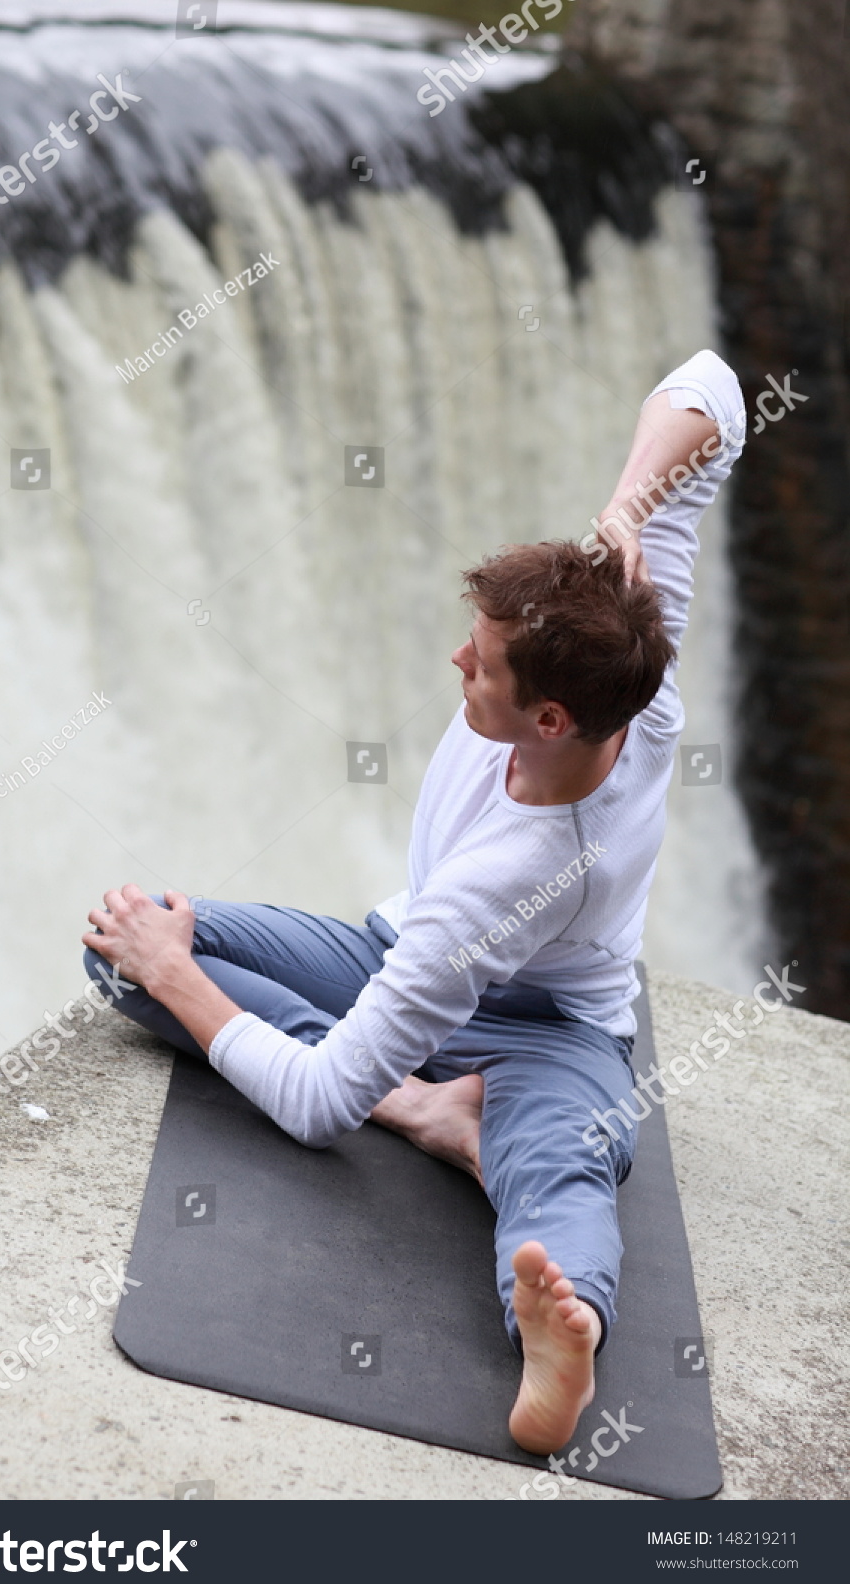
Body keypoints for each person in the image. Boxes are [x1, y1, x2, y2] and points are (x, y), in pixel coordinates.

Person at [83, 349, 745, 1455]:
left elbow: (315, 1104)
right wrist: (631, 506)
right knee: (125, 932)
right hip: (386, 946)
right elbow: (712, 388)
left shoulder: (510, 878)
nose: (454, 660)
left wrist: (179, 980)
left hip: (556, 1030)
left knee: (556, 1160)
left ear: (544, 720)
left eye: (477, 665)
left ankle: (560, 1327)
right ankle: (432, 1111)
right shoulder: (634, 665)